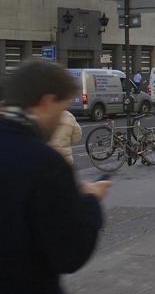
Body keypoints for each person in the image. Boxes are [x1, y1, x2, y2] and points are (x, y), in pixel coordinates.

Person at [0, 59, 110, 293]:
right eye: (62, 110)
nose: (61, 119)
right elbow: (71, 254)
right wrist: (90, 201)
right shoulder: (44, 162)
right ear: (47, 101)